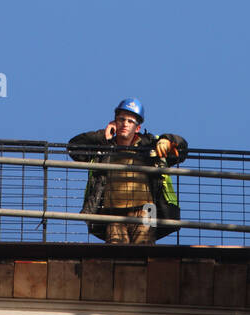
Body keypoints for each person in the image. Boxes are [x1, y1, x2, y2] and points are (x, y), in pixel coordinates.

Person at [67, 99, 188, 244]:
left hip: (146, 211)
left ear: (137, 128)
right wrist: (101, 136)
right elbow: (73, 147)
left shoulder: (150, 146)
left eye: (130, 121)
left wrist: (167, 140)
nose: (125, 124)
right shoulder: (103, 148)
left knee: (144, 251)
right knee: (116, 253)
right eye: (121, 119)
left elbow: (182, 149)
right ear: (114, 123)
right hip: (113, 212)